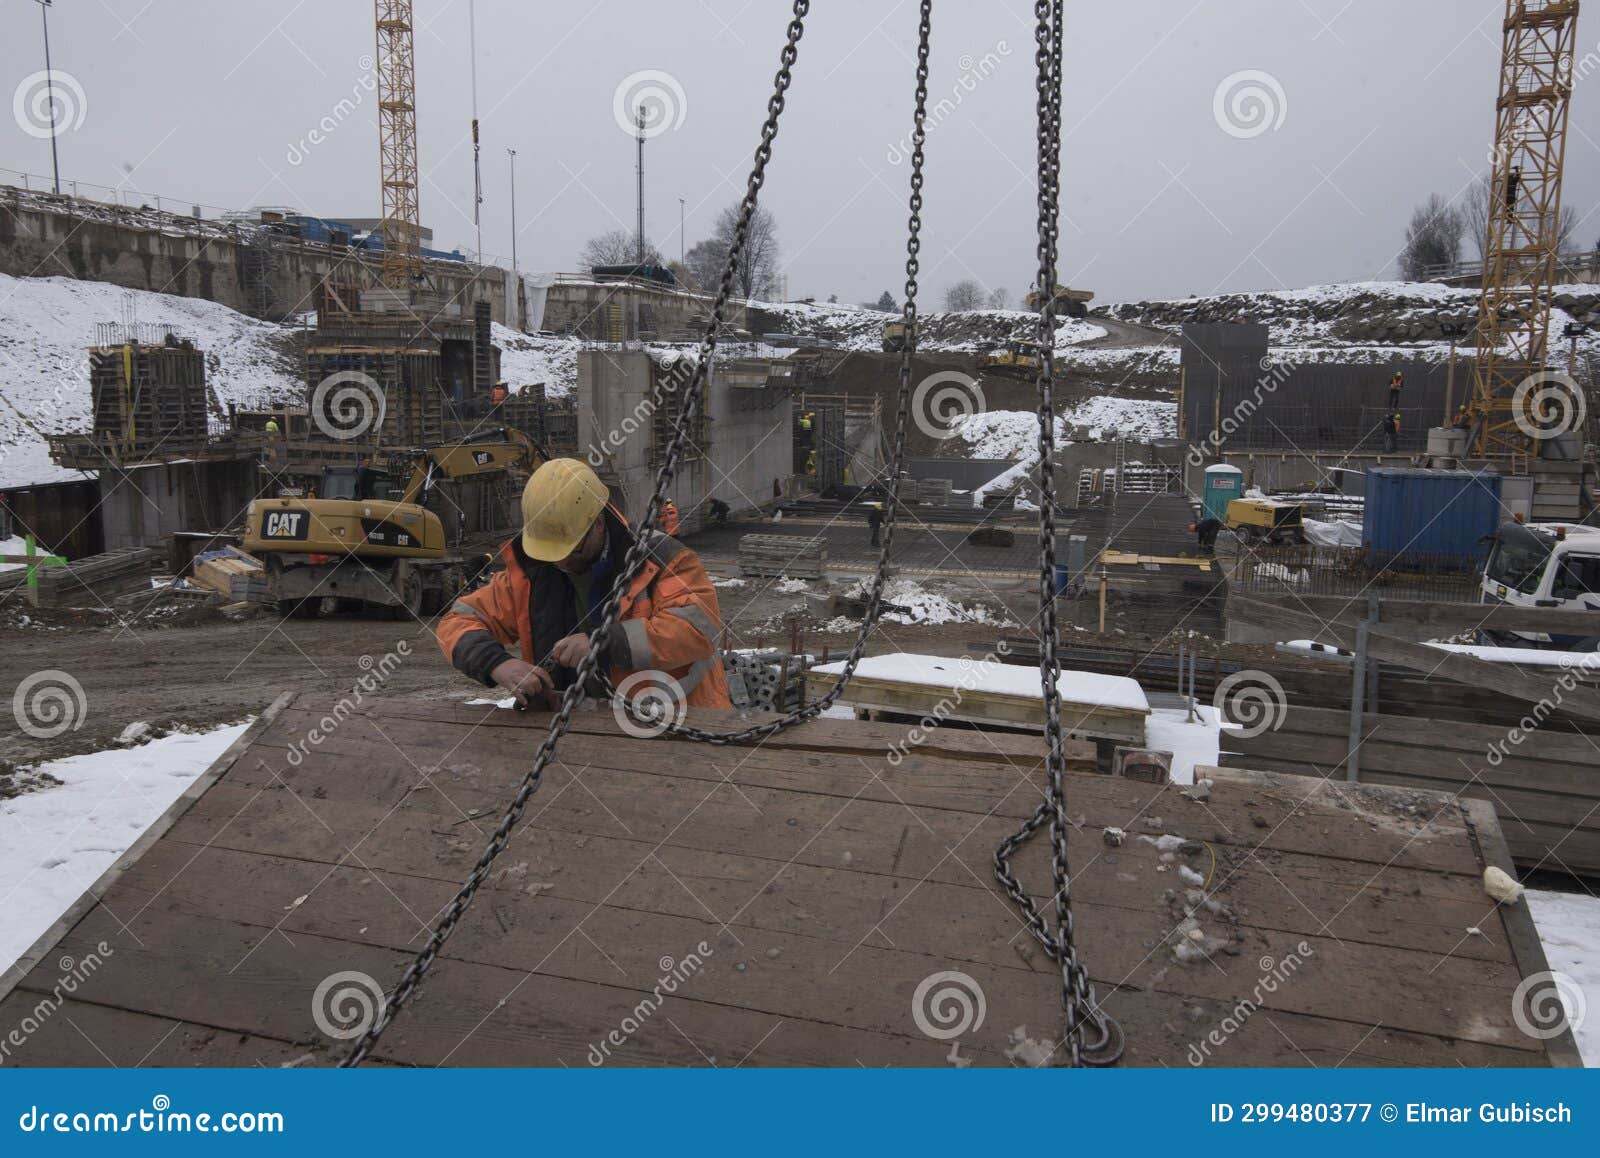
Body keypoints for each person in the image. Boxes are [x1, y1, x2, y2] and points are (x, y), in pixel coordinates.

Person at [436, 458, 731, 712]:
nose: (561, 563)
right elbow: (458, 621)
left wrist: (601, 643)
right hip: (586, 735)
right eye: (552, 554)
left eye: (571, 550)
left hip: (679, 726)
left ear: (598, 524)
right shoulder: (533, 573)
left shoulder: (663, 560)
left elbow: (697, 630)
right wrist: (496, 663)